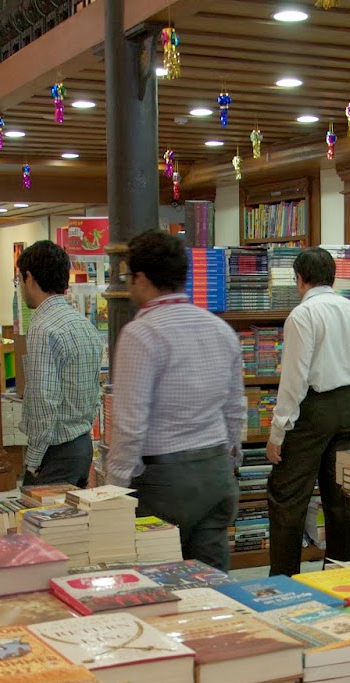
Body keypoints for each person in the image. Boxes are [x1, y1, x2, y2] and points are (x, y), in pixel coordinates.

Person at [107, 230, 245, 571]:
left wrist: (114, 490)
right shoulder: (220, 329)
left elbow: (129, 423)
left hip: (163, 482)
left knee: (160, 584)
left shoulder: (141, 334)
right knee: (213, 584)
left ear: (141, 278)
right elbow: (234, 408)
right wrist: (228, 459)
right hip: (214, 471)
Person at [265, 248, 350, 576]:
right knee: (342, 497)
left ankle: (285, 580)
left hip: (313, 410)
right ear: (333, 278)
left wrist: (278, 431)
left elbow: (294, 380)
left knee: (288, 496)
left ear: (299, 279)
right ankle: (340, 576)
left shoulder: (302, 315)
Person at [16, 239, 102, 488]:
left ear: (29, 277)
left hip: (55, 452)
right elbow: (94, 393)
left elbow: (44, 401)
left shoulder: (43, 328)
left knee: (40, 513)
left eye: (19, 280)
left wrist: (33, 461)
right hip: (82, 444)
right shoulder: (83, 324)